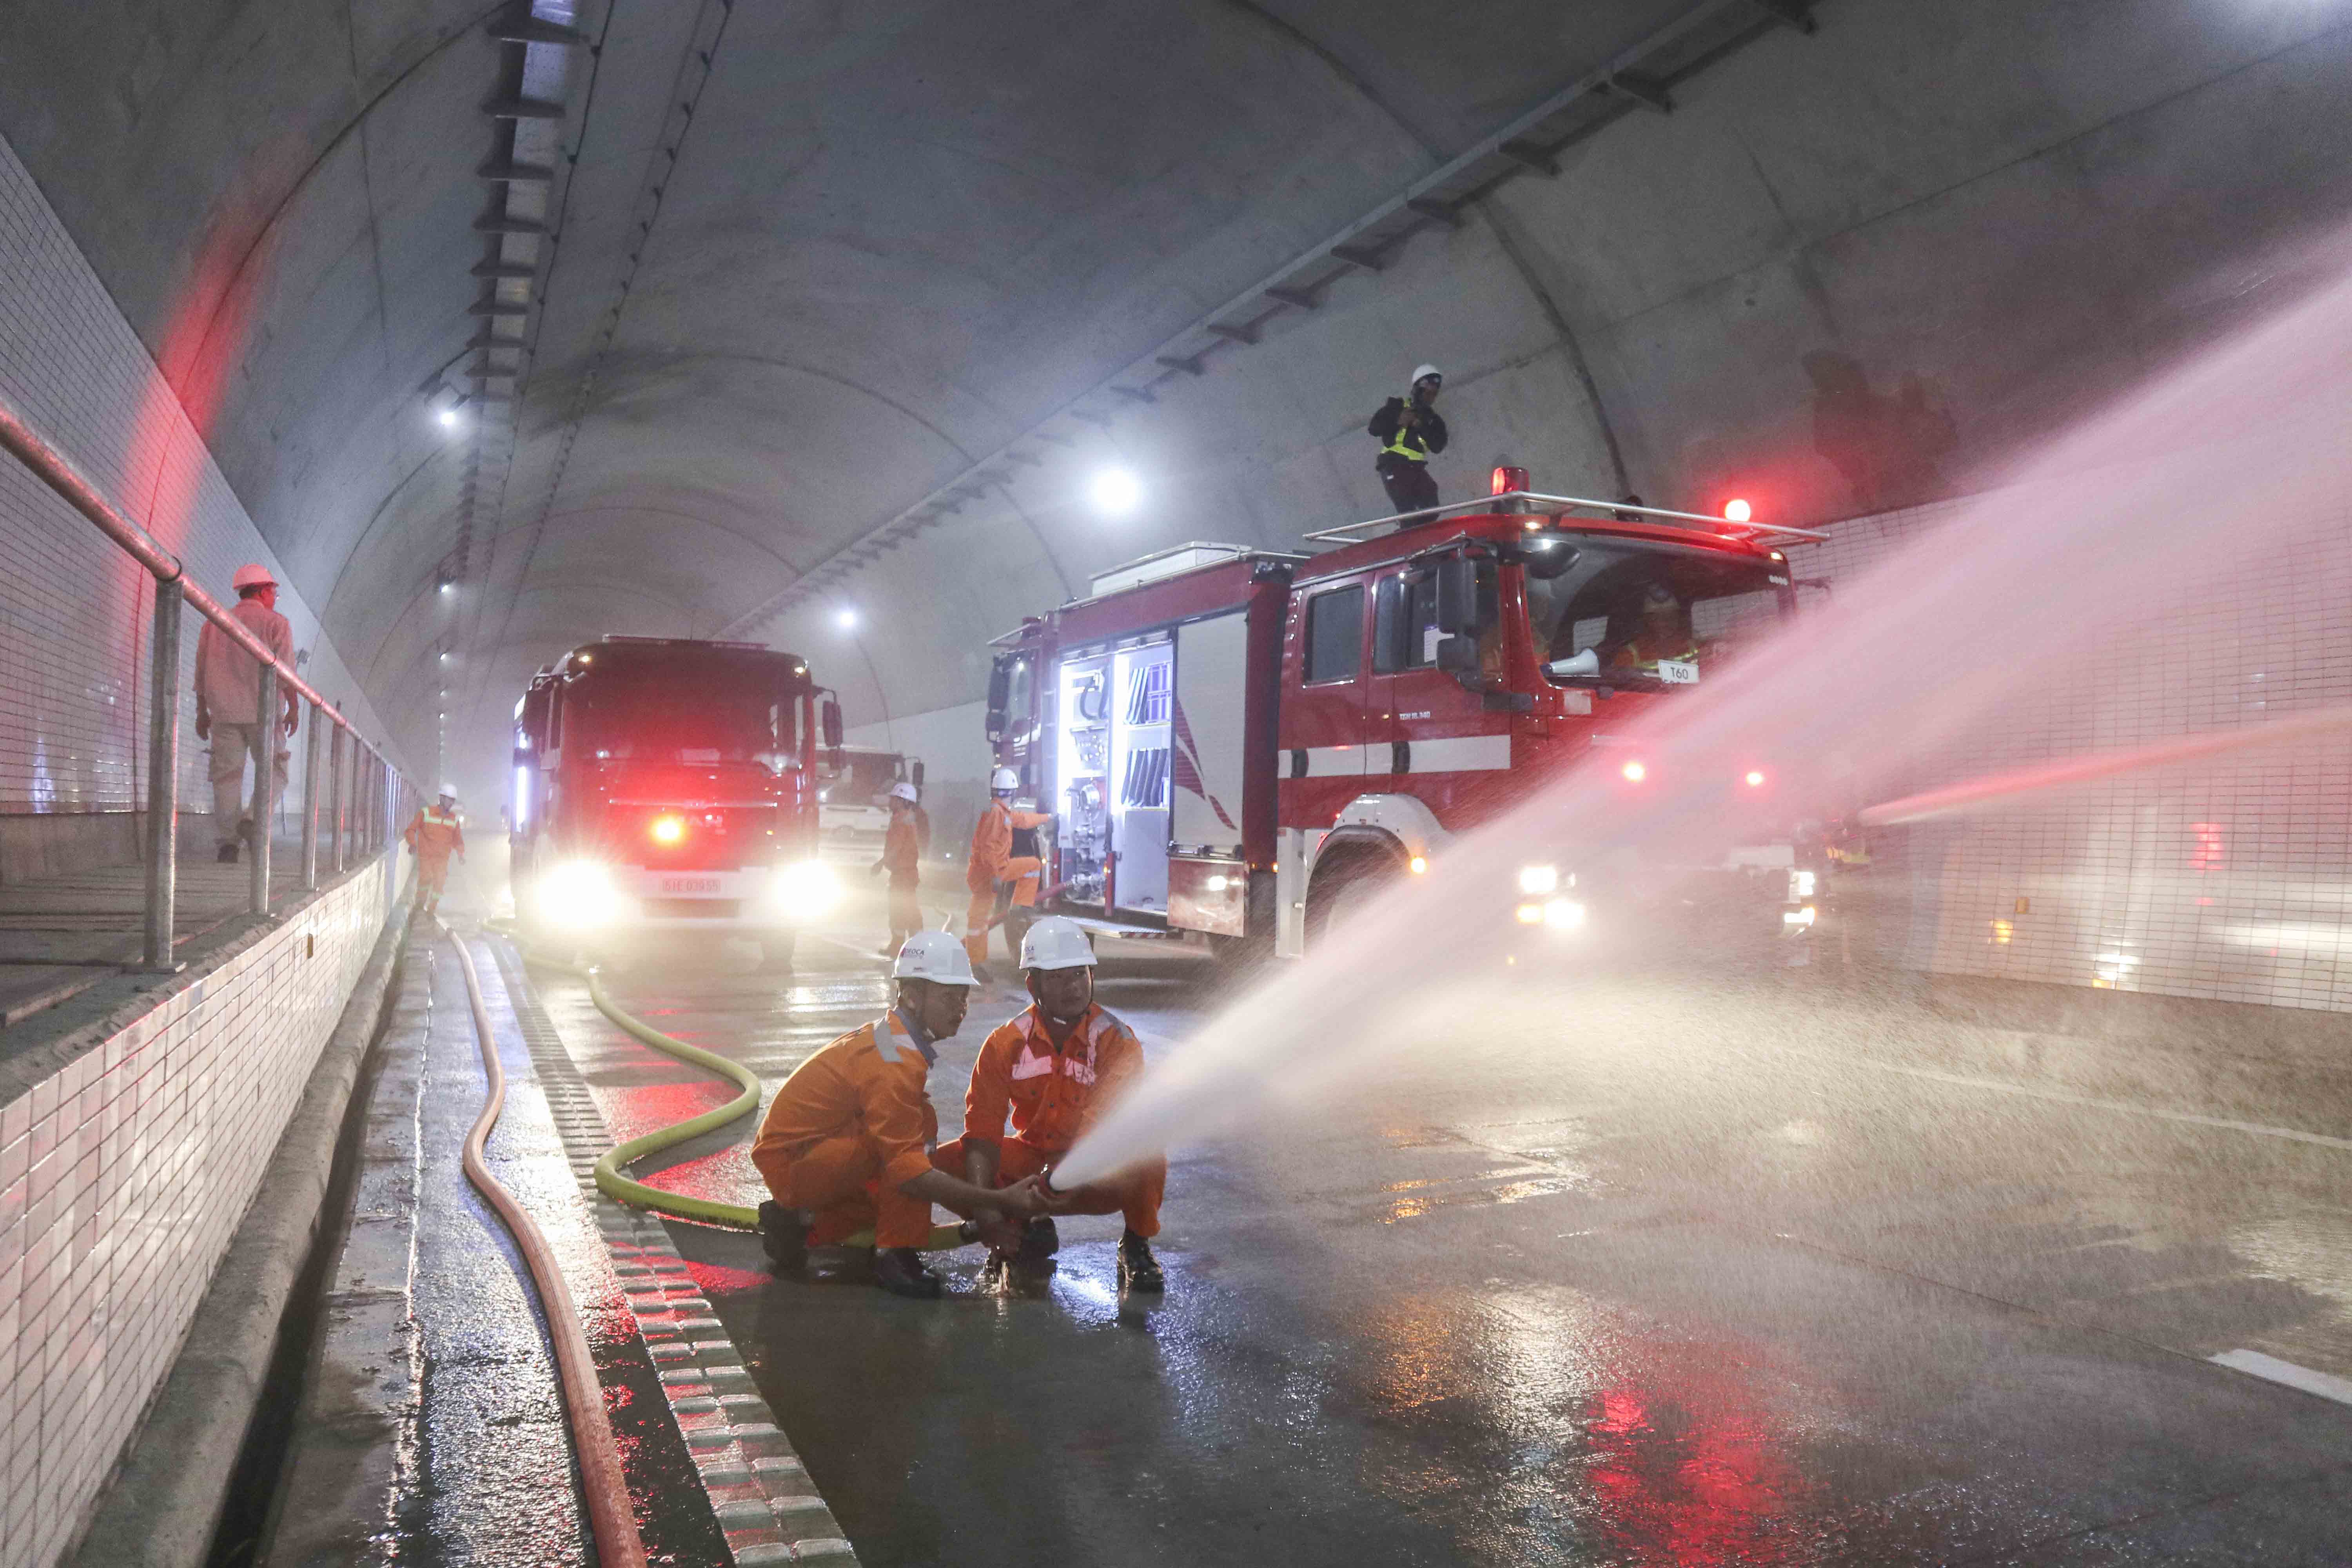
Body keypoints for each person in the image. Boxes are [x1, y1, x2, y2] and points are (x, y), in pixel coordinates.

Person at [751, 932, 1051, 1298]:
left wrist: (981, 1212)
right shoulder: (893, 1059)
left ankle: (802, 1222)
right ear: (910, 995)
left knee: (915, 1131)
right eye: (947, 996)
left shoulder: (895, 1040)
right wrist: (999, 1203)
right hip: (793, 1166)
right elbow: (907, 1172)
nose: (960, 1007)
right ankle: (895, 1256)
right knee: (907, 1156)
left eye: (963, 996)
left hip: (810, 1156)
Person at [933, 915, 1167, 1293]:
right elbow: (982, 1132)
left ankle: (1136, 1245)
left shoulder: (1117, 1041)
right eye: (1057, 978)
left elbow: (1102, 1125)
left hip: (1096, 1169)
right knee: (947, 1164)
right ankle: (1021, 1231)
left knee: (1148, 1151)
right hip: (1031, 1166)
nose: (1073, 988)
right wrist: (987, 1208)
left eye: (1079, 975)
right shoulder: (1004, 1043)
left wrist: (1066, 1183)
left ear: (1092, 975)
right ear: (1033, 984)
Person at [193, 563, 299, 864]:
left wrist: (202, 711)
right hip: (264, 713)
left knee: (226, 777)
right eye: (274, 592)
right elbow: (287, 672)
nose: (275, 598)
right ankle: (253, 820)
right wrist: (294, 706)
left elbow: (200, 670)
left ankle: (228, 845)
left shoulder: (214, 623)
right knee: (276, 771)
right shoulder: (276, 624)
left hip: (223, 713)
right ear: (264, 590)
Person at [964, 766, 1051, 979]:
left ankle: (1018, 907)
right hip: (990, 873)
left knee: (1032, 865)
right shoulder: (997, 814)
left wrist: (1047, 818)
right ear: (1010, 792)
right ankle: (974, 963)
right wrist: (994, 875)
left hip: (995, 870)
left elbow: (1023, 820)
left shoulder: (1002, 812)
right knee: (978, 921)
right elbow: (988, 847)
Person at [1367, 364, 1448, 523]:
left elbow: (1438, 445)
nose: (1430, 397)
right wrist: (1398, 421)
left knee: (1431, 503)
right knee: (1407, 508)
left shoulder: (1434, 420)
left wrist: (1421, 426)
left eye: (1434, 394)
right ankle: (1407, 530)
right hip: (1393, 465)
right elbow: (1374, 428)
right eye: (1427, 392)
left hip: (1416, 468)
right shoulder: (1396, 406)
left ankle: (1421, 536)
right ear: (1417, 388)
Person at [871, 780, 924, 956]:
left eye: (894, 799)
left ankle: (914, 948)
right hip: (904, 874)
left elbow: (896, 847)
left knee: (905, 911)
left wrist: (881, 864)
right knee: (901, 911)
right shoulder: (904, 819)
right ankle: (901, 946)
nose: (890, 802)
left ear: (903, 801)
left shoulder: (901, 821)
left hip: (903, 874)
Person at [1606, 583, 1704, 677]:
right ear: (1648, 621)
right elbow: (1622, 687)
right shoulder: (1630, 654)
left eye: (1671, 617)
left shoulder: (1694, 648)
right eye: (1658, 618)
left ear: (1678, 618)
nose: (1666, 623)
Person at [402, 789, 466, 917]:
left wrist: (460, 855)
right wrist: (412, 844)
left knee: (439, 883)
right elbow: (411, 830)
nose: (451, 803)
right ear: (442, 798)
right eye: (449, 799)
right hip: (426, 856)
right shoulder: (426, 813)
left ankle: (431, 911)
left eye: (453, 800)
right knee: (426, 879)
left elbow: (458, 840)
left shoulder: (454, 819)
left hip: (442, 859)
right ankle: (420, 905)